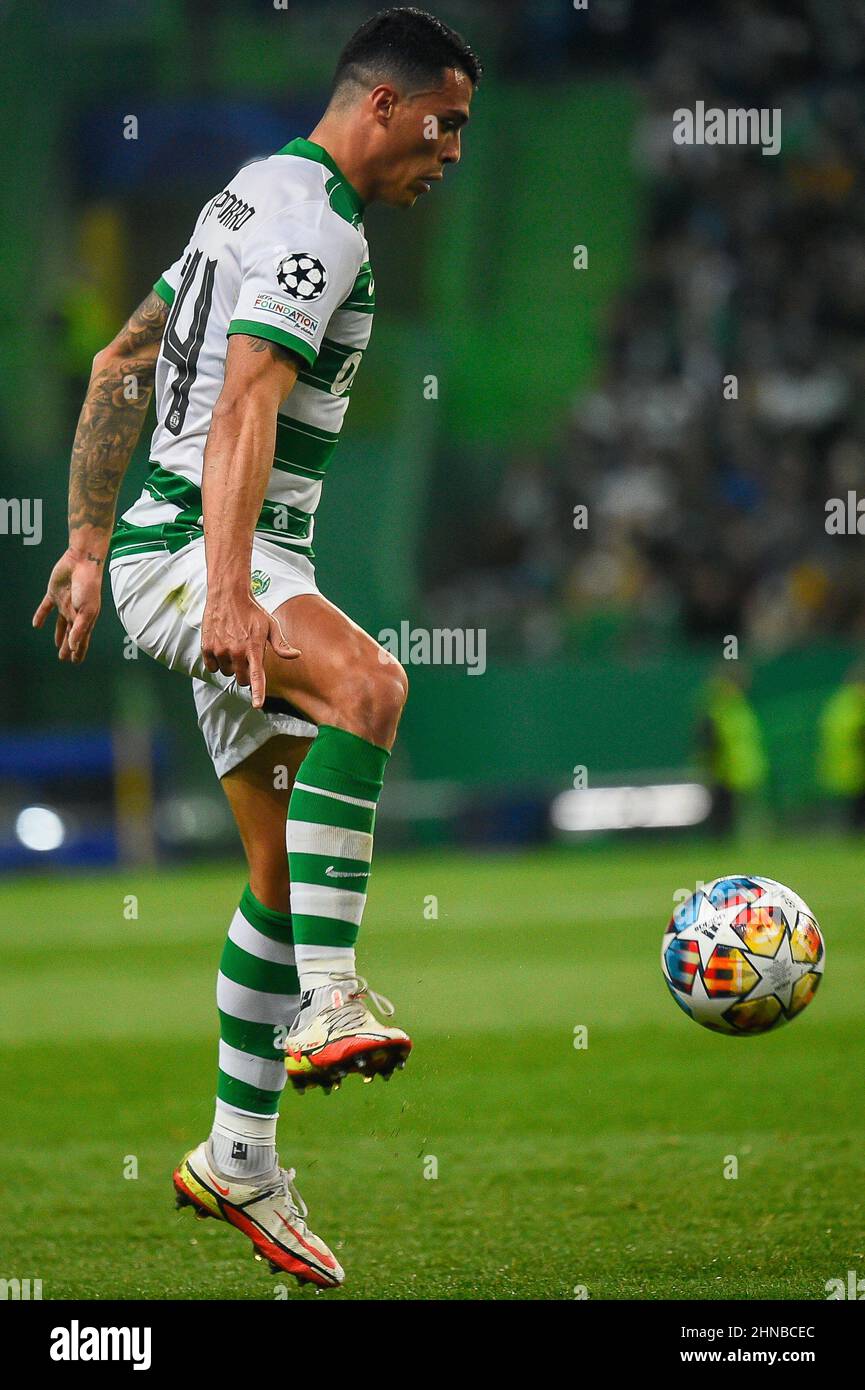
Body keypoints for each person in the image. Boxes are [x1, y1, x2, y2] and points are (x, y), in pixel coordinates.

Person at [33, 6, 481, 1289]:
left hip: (185, 550)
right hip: (206, 559)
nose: (451, 152)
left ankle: (240, 1155)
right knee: (370, 682)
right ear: (382, 105)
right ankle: (335, 998)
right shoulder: (314, 220)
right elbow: (242, 398)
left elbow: (126, 360)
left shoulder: (250, 194)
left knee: (278, 881)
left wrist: (81, 534)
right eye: (444, 124)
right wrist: (225, 587)